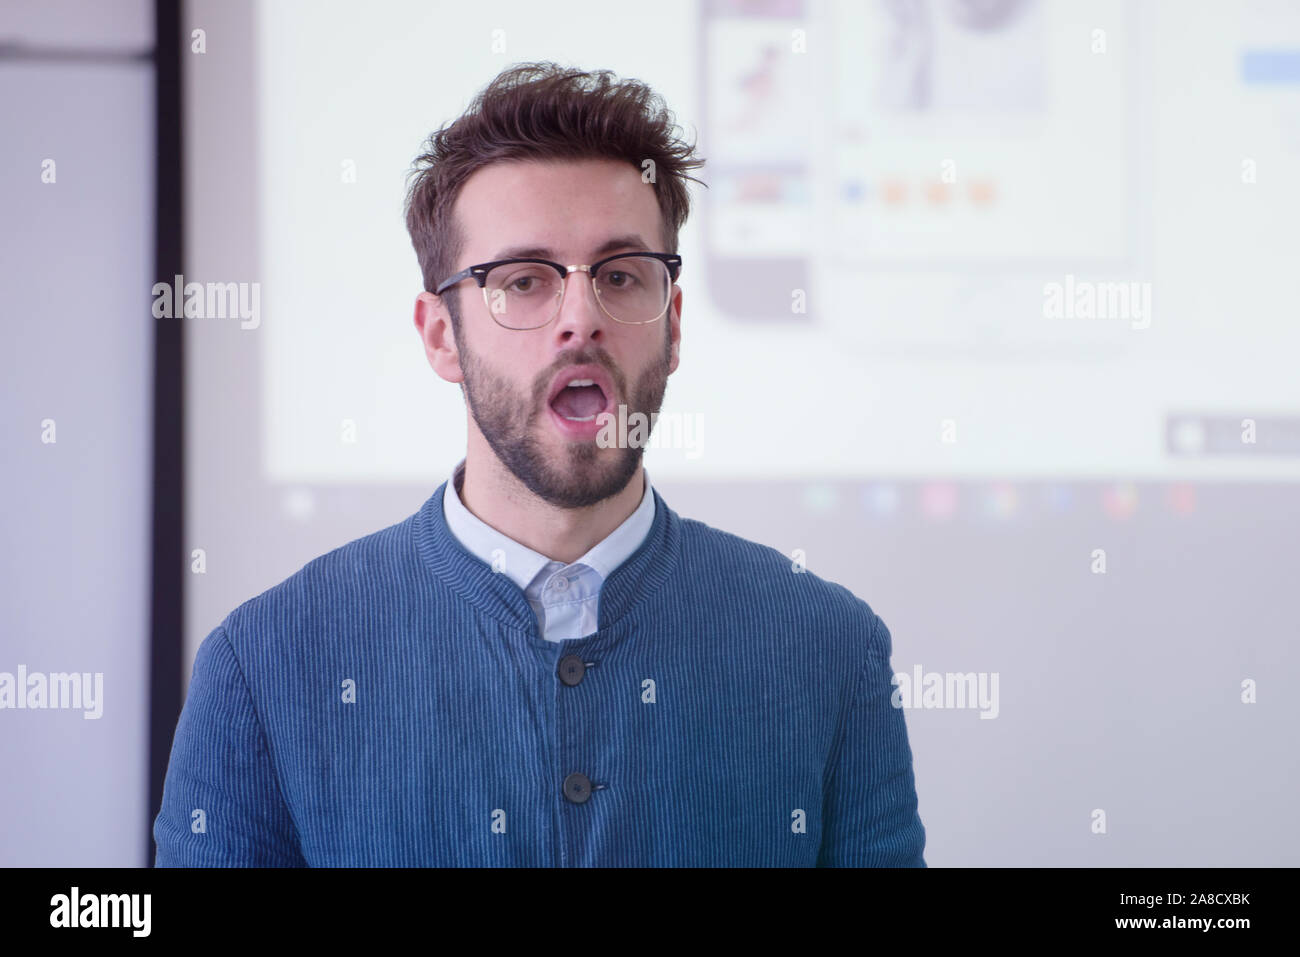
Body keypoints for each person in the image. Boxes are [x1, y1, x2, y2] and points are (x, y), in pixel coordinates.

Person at [153, 61, 927, 867]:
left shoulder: (830, 650)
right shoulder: (264, 665)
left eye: (624, 275)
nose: (581, 318)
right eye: (524, 281)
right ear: (440, 335)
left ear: (674, 322)